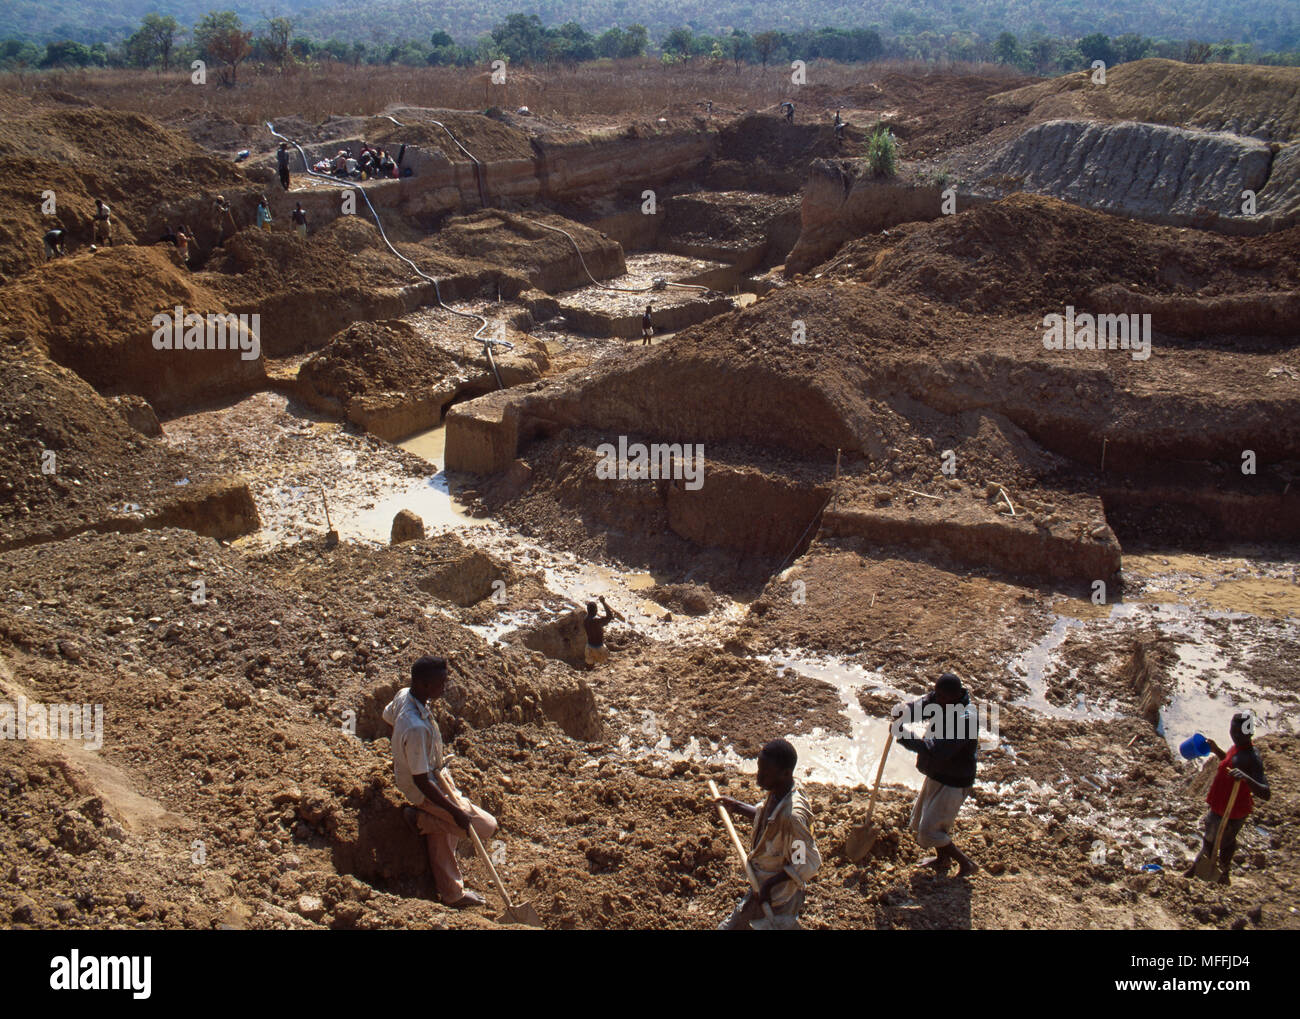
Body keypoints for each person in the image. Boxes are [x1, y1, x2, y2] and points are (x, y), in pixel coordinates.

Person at [383, 656, 497, 908]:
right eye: (441, 682)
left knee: (443, 831)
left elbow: (387, 716)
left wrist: (402, 751)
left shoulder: (405, 695)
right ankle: (421, 819)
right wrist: (455, 811)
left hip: (432, 773)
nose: (445, 686)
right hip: (421, 787)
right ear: (424, 684)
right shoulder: (415, 728)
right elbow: (421, 781)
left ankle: (451, 893)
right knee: (486, 827)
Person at [713, 739, 821, 930]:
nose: (758, 777)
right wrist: (737, 806)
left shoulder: (793, 818)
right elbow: (770, 822)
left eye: (765, 773)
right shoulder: (779, 791)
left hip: (776, 898)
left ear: (785, 773)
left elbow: (804, 863)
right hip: (762, 886)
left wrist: (769, 885)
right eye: (759, 769)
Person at [896, 672, 980, 876]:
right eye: (938, 695)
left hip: (954, 781)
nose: (939, 700)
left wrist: (905, 737)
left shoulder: (965, 719)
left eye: (944, 698)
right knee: (924, 819)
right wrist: (903, 712)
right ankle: (942, 859)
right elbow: (923, 705)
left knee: (929, 830)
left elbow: (937, 750)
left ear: (956, 696)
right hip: (937, 773)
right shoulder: (941, 701)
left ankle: (966, 864)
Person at [1184, 712, 1270, 885]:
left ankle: (1205, 873)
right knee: (1219, 839)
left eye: (1241, 732)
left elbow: (1265, 792)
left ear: (1250, 733)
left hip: (1233, 810)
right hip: (1220, 804)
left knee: (1216, 841)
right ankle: (1217, 873)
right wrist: (1216, 751)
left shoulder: (1252, 757)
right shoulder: (1237, 748)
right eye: (1234, 730)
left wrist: (1246, 778)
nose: (1236, 735)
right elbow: (1231, 763)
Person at [582, 597, 617, 668]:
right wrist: (603, 603)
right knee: (608, 663)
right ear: (595, 610)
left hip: (589, 647)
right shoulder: (596, 621)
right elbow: (609, 617)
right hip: (599, 648)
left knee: (589, 664)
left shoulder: (585, 620)